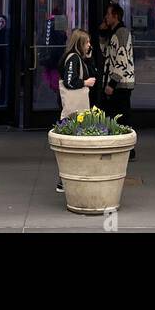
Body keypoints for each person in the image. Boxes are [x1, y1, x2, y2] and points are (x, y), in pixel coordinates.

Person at [55, 28, 97, 194]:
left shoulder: (78, 58)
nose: (89, 45)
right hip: (73, 110)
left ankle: (64, 180)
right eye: (86, 42)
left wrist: (89, 57)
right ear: (79, 43)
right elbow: (69, 81)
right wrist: (85, 83)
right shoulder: (73, 59)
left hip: (75, 109)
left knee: (72, 146)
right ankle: (64, 180)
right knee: (72, 145)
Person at [98, 1, 135, 156]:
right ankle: (121, 147)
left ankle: (127, 149)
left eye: (108, 14)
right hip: (118, 82)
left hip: (121, 84)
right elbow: (106, 52)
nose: (106, 17)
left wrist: (112, 83)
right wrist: (102, 34)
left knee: (121, 116)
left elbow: (121, 60)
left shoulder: (121, 33)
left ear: (116, 16)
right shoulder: (114, 33)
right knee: (115, 115)